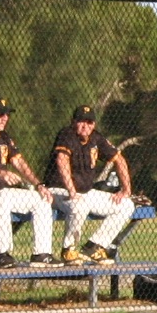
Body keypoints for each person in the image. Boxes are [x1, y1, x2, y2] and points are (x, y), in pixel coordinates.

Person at [0, 96, 60, 268]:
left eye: (7, 115)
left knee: (41, 200)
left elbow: (19, 162)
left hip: (0, 192)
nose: (5, 118)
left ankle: (41, 254)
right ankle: (2, 254)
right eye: (0, 114)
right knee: (2, 198)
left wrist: (39, 185)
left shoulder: (3, 137)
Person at [44, 104, 136, 266]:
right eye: (81, 121)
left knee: (126, 205)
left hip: (85, 193)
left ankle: (93, 246)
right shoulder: (67, 135)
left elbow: (119, 160)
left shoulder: (96, 138)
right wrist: (71, 191)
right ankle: (69, 250)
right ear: (73, 122)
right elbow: (62, 160)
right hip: (59, 190)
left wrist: (126, 189)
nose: (85, 126)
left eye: (90, 122)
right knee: (79, 206)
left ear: (94, 124)